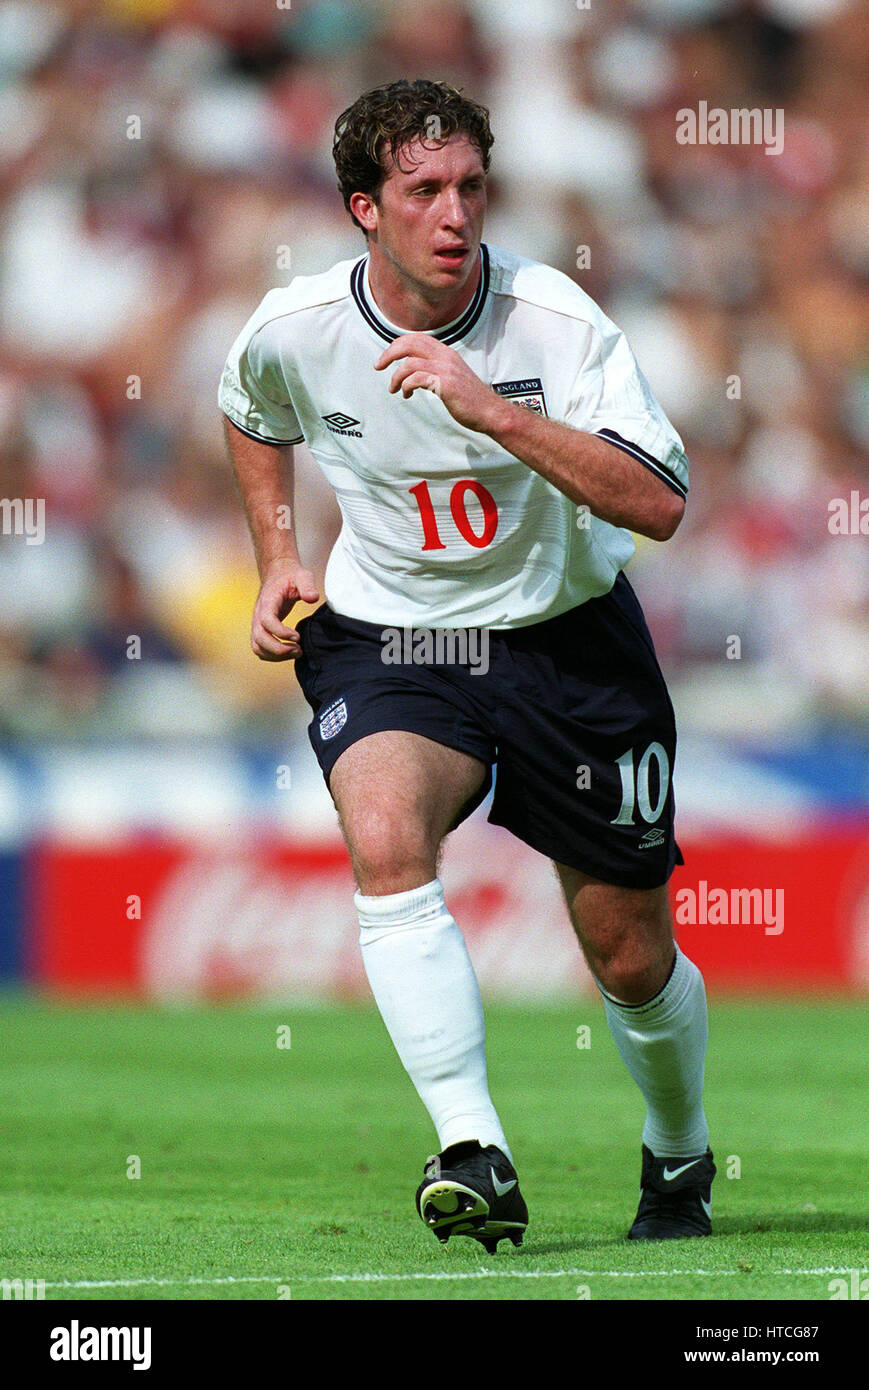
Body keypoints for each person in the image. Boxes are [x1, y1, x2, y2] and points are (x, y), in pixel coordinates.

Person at [219, 78, 714, 1253]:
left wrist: (492, 413)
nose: (454, 214)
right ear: (362, 209)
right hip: (394, 637)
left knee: (628, 955)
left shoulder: (556, 323)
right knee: (385, 840)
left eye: (470, 188)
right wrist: (279, 553)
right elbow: (249, 408)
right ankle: (469, 1146)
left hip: (565, 639)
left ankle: (678, 1146)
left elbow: (657, 503)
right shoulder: (295, 327)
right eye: (422, 190)